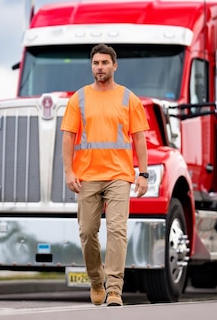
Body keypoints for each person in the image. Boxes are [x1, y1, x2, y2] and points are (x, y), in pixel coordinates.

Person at [61, 43, 150, 307]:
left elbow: (139, 139)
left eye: (104, 63)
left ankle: (114, 289)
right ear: (92, 66)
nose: (100, 67)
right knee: (88, 232)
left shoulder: (128, 98)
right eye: (95, 63)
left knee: (117, 231)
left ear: (115, 65)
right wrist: (68, 171)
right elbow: (68, 137)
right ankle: (96, 280)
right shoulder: (79, 99)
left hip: (119, 176)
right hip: (87, 175)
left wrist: (142, 173)